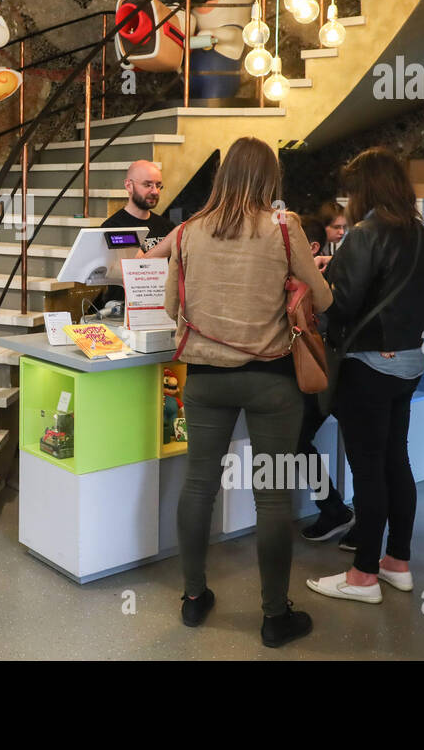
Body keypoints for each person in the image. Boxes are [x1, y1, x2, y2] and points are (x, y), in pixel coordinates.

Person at [164, 136, 333, 648]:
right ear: (270, 179)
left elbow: (173, 306)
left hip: (206, 379)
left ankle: (194, 599)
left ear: (223, 176)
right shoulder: (285, 228)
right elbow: (323, 297)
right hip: (272, 380)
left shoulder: (189, 230)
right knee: (273, 497)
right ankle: (274, 616)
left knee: (198, 485)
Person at [306, 148, 424, 605]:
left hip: (368, 365)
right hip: (408, 363)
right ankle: (397, 563)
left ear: (366, 188)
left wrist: (322, 280)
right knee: (397, 461)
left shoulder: (364, 233)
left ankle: (362, 576)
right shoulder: (417, 231)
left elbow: (340, 305)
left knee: (368, 471)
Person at [296, 213, 354, 541]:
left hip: (329, 374)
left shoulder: (324, 278)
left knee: (364, 452)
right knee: (298, 439)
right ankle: (336, 510)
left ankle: (339, 512)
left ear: (313, 246)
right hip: (325, 374)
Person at [101, 159, 175, 256]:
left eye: (158, 185)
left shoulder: (167, 226)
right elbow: (139, 267)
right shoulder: (113, 228)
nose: (155, 192)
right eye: (147, 185)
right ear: (129, 186)